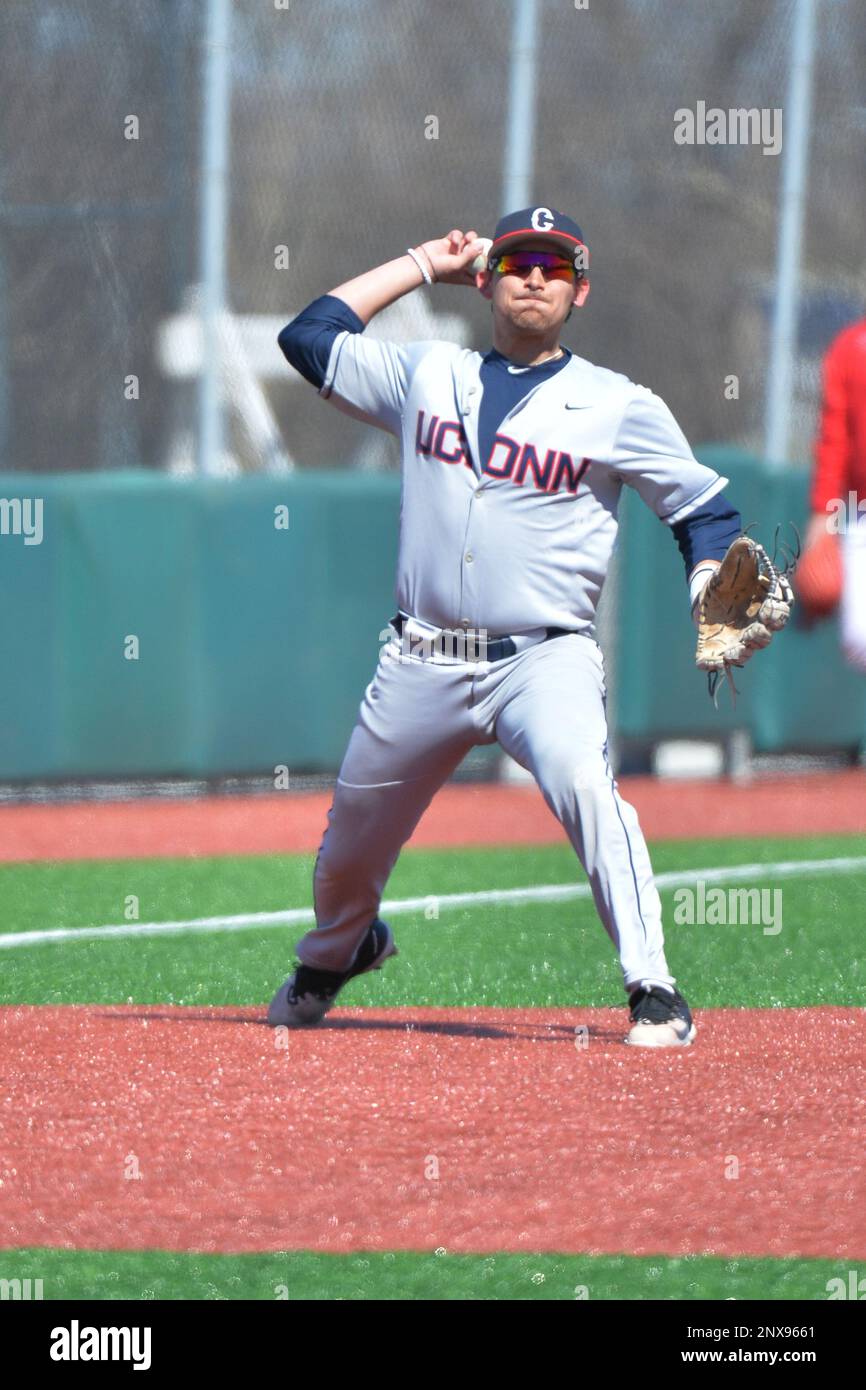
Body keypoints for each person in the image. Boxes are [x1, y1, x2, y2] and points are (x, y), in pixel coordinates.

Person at [269, 205, 759, 1048]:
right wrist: (424, 261)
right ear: (488, 279)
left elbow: (703, 507)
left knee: (583, 784)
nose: (536, 276)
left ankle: (653, 989)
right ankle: (341, 949)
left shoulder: (616, 403)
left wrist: (708, 585)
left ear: (581, 291)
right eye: (519, 261)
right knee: (348, 846)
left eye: (555, 265)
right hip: (422, 656)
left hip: (545, 658)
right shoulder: (427, 374)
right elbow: (307, 338)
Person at [800, 316, 866, 671]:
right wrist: (824, 511)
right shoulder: (850, 346)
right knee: (858, 638)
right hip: (861, 509)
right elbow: (833, 437)